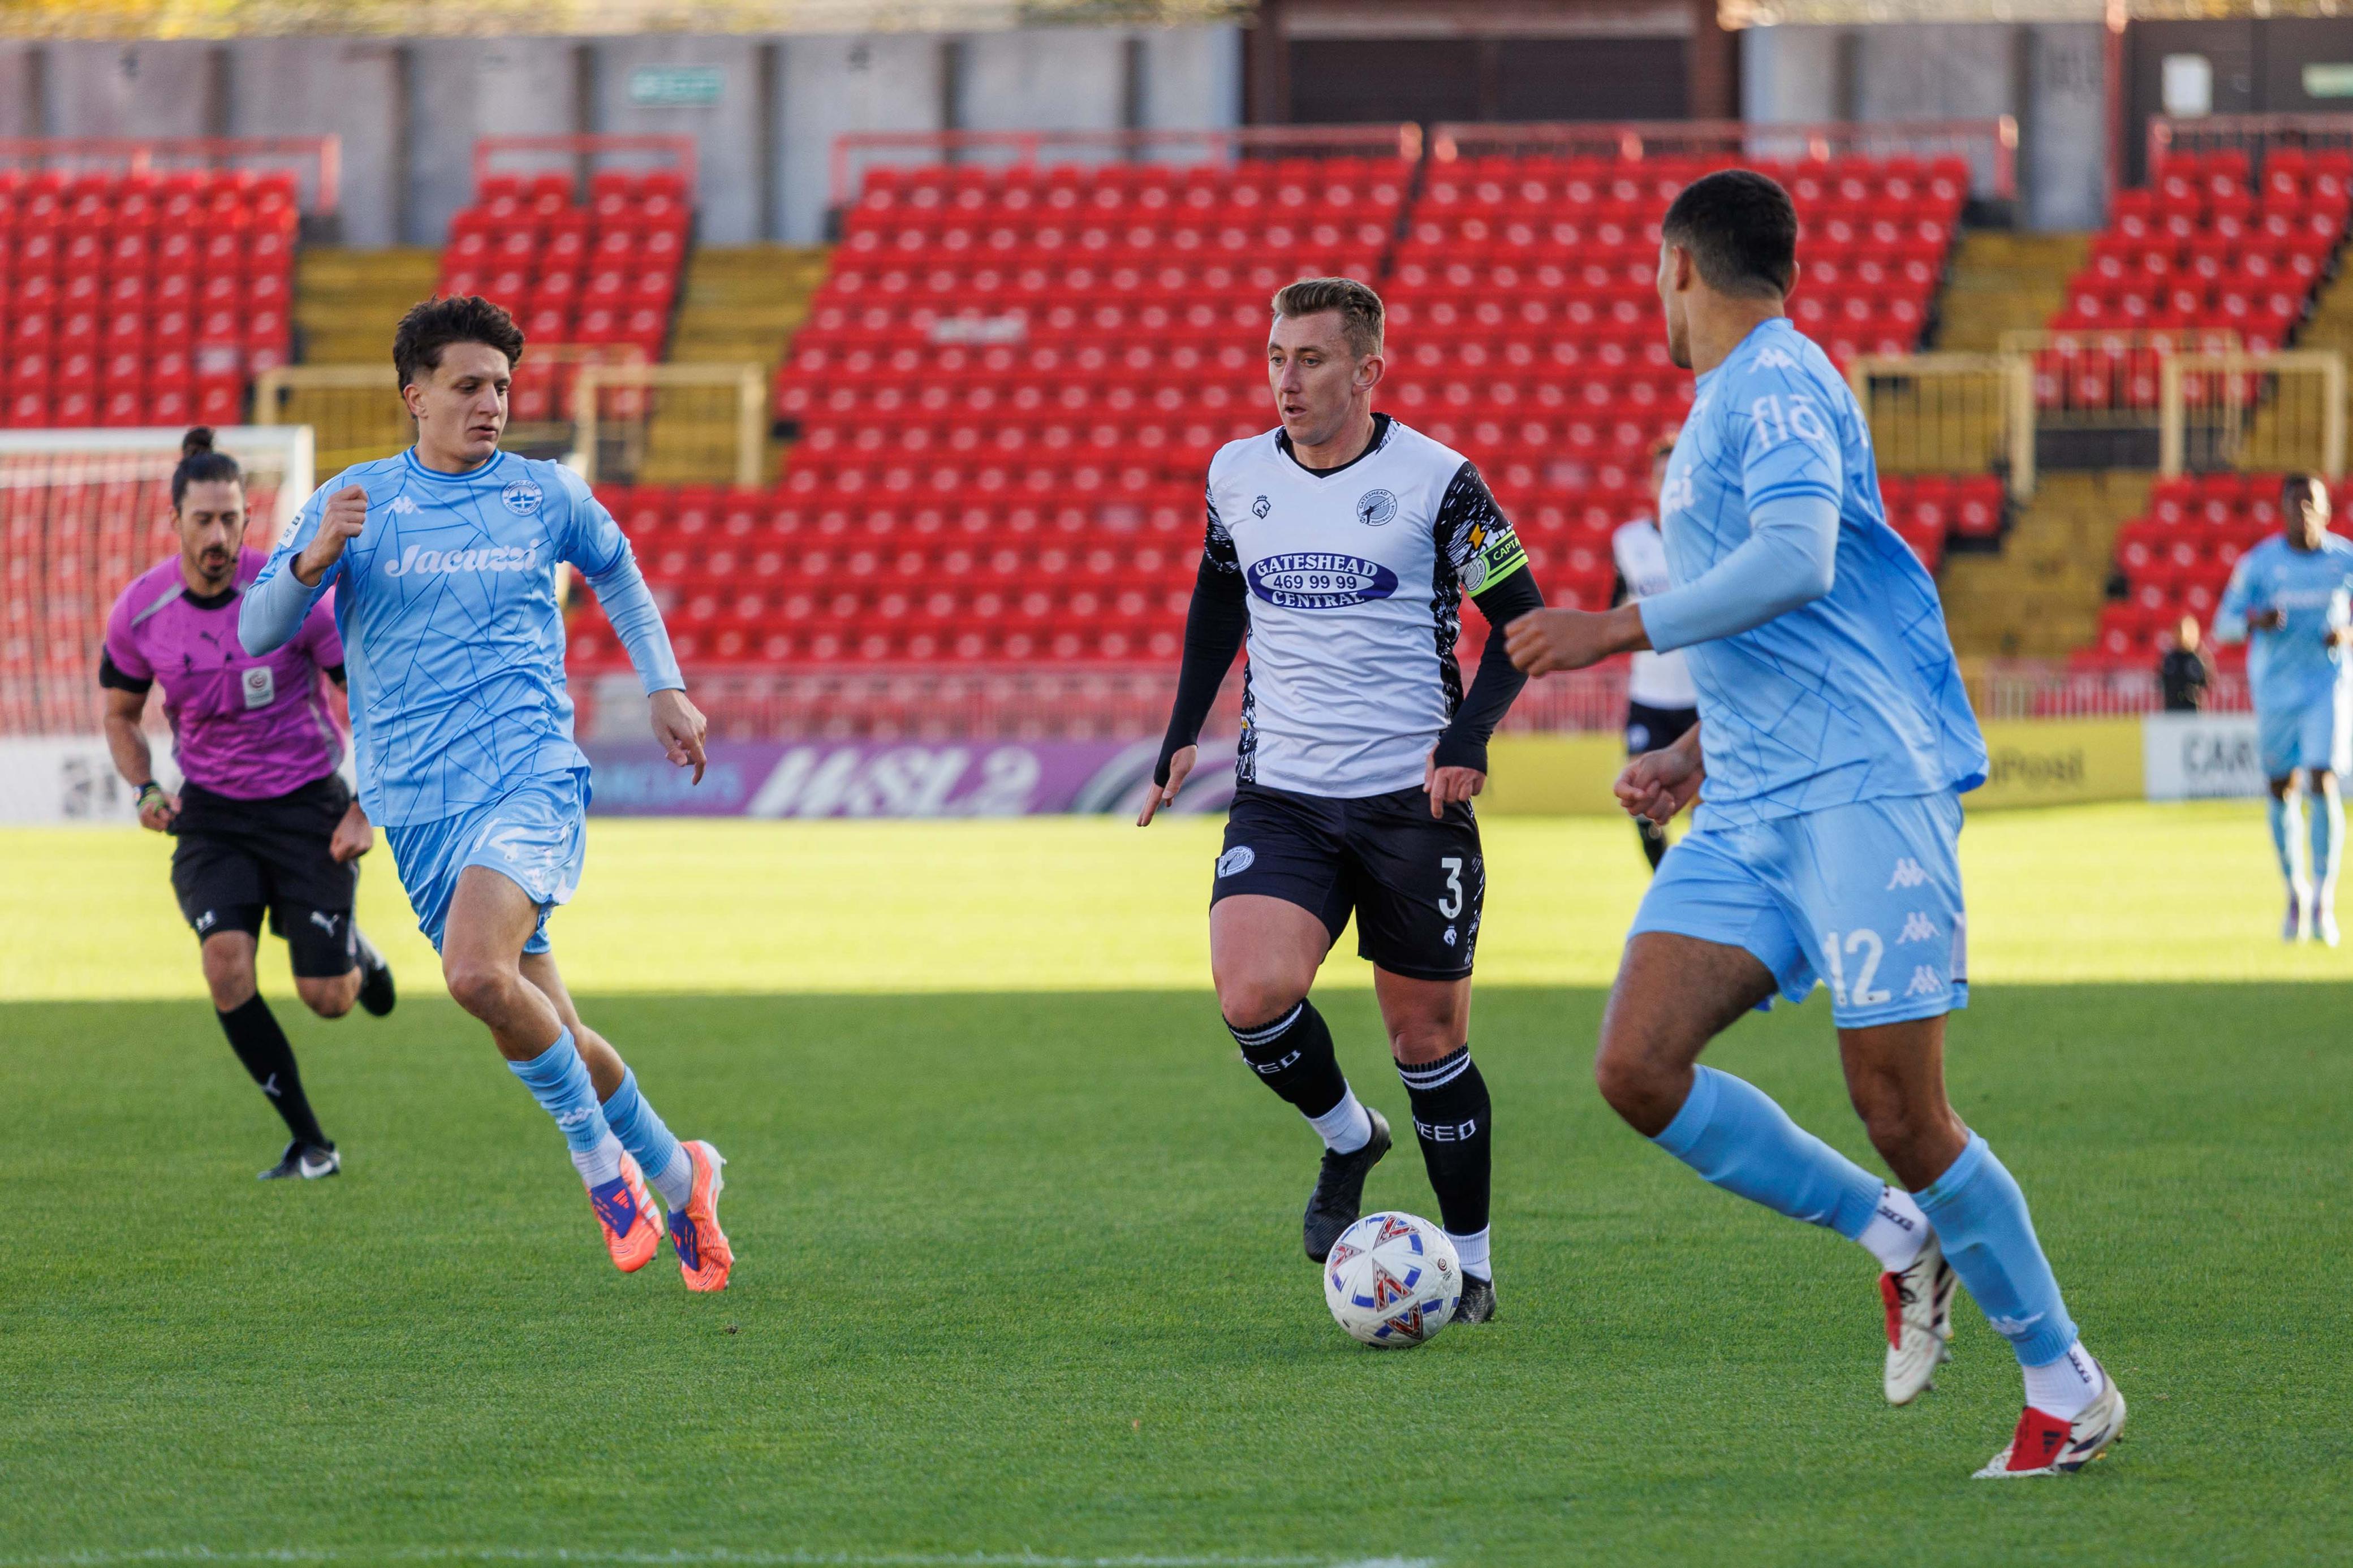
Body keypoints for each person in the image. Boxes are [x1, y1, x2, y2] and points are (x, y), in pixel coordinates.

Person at [1503, 170, 2122, 1479]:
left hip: (1862, 789)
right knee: (1637, 1066)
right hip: (1753, 800)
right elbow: (1799, 625)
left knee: (1900, 1104)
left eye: (1653, 272)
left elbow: (1800, 560)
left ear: (1680, 264)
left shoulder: (1777, 380)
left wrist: (1614, 629)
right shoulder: (1727, 401)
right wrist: (1693, 749)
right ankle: (1895, 1236)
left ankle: (2064, 1382)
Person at [239, 296, 734, 1291]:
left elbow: (618, 571)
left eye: (502, 386)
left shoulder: (543, 493)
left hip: (527, 776)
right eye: (468, 386)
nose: (492, 404)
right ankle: (685, 1174)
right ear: (414, 396)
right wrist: (312, 559)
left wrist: (664, 684)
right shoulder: (355, 502)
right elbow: (257, 630)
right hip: (420, 806)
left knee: (472, 973)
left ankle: (603, 1170)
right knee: (546, 1023)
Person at [1137, 277, 1546, 1325]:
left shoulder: (1440, 482)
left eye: (1311, 360)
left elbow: (1521, 621)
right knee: (1250, 994)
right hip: (1283, 795)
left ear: (1367, 371)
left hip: (1412, 803)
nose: (1288, 380)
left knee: (1426, 1042)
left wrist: (1467, 740)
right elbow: (1219, 590)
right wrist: (1184, 727)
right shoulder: (1237, 473)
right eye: (1277, 357)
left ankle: (1472, 1265)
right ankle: (1350, 1138)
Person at [99, 427, 397, 1182]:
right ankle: (311, 1145)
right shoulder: (141, 612)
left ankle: (355, 952)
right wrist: (145, 787)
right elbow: (120, 715)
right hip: (214, 815)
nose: (218, 536)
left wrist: (365, 805)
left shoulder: (291, 593)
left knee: (328, 997)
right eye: (203, 520)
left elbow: (365, 697)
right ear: (175, 520)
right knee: (226, 967)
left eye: (230, 519)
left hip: (308, 805)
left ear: (246, 519)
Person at [2212, 473, 2353, 946]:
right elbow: (2224, 625)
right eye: (2295, 503)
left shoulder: (2345, 560)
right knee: (2281, 786)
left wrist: (2348, 634)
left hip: (2327, 686)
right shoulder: (2259, 564)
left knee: (2323, 778)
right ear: (2283, 510)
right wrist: (2258, 621)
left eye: (2312, 503)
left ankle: (2324, 898)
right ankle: (2295, 889)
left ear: (2327, 510)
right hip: (2275, 690)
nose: (2304, 511)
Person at [1610, 434, 1701, 872]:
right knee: (1642, 801)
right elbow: (1616, 607)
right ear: (1649, 482)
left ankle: (1705, 886)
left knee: (1708, 809)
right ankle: (1665, 883)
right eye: (1660, 475)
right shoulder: (1628, 541)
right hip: (1649, 694)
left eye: (1675, 474)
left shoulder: (1708, 540)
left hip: (1701, 694)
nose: (1667, 483)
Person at [2157, 614, 2211, 714]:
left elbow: (2206, 682)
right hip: (2172, 710)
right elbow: (2160, 681)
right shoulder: (2169, 658)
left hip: (2192, 711)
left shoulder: (2197, 658)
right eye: (2179, 632)